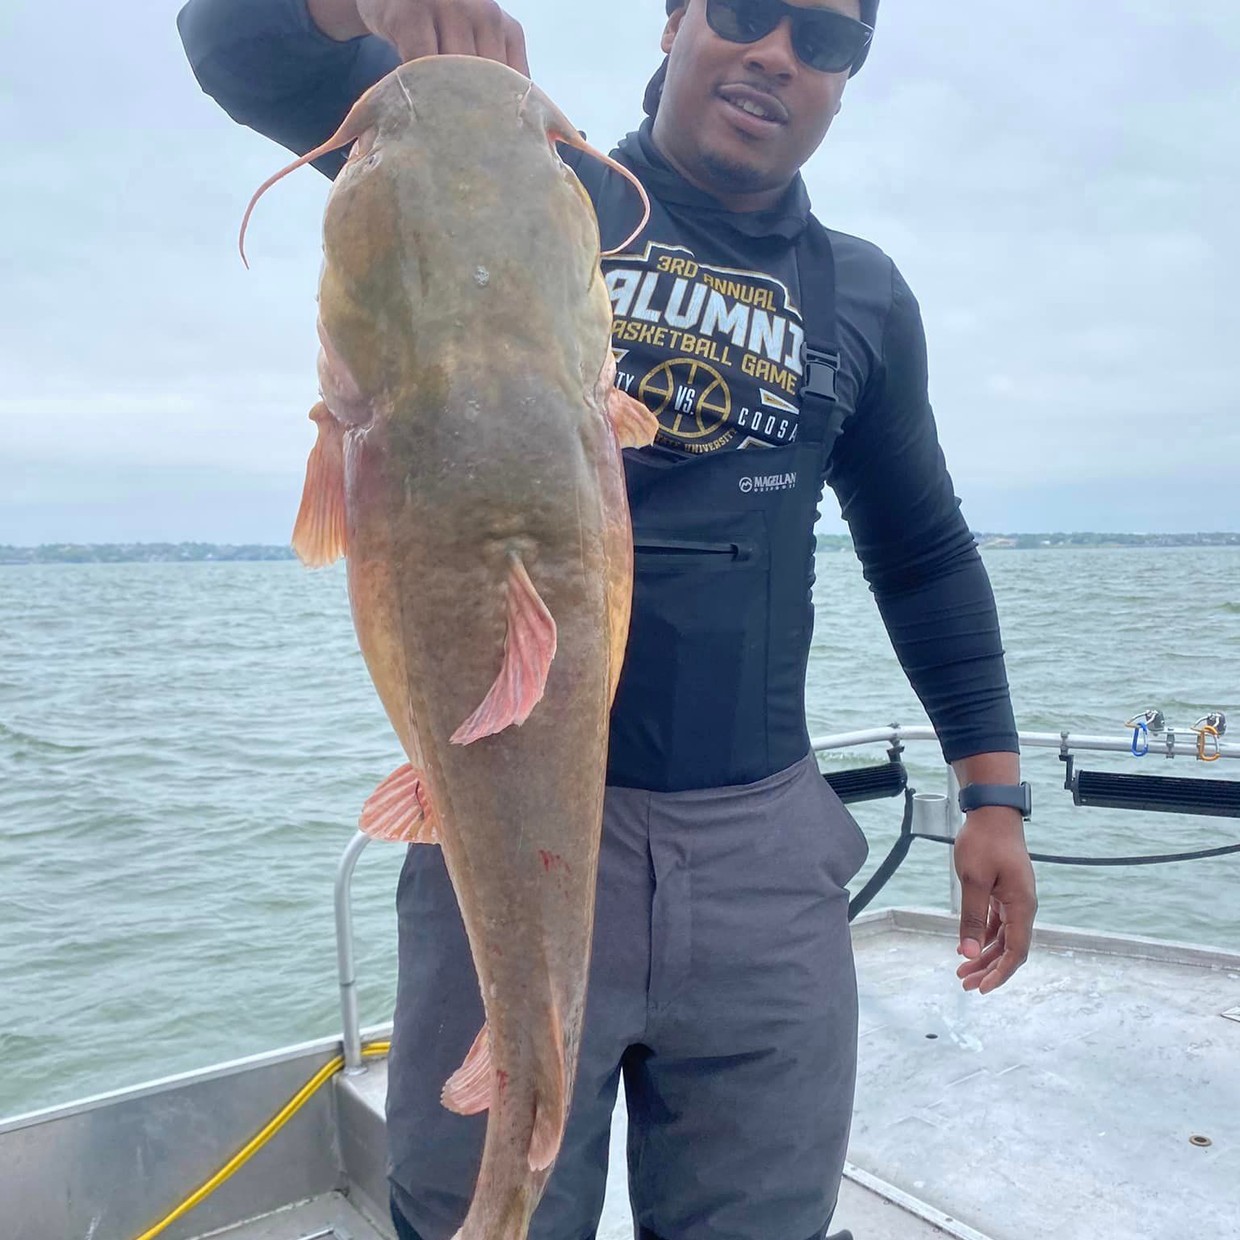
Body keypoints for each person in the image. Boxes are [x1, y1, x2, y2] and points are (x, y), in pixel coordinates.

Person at [178, 2, 1039, 1238]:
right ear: (673, 20)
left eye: (826, 39)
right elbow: (239, 46)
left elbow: (923, 552)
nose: (778, 53)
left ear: (846, 83)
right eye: (745, 10)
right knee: (471, 1205)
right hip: (496, 816)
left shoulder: (861, 294)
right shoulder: (497, 171)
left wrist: (993, 790)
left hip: (760, 854)